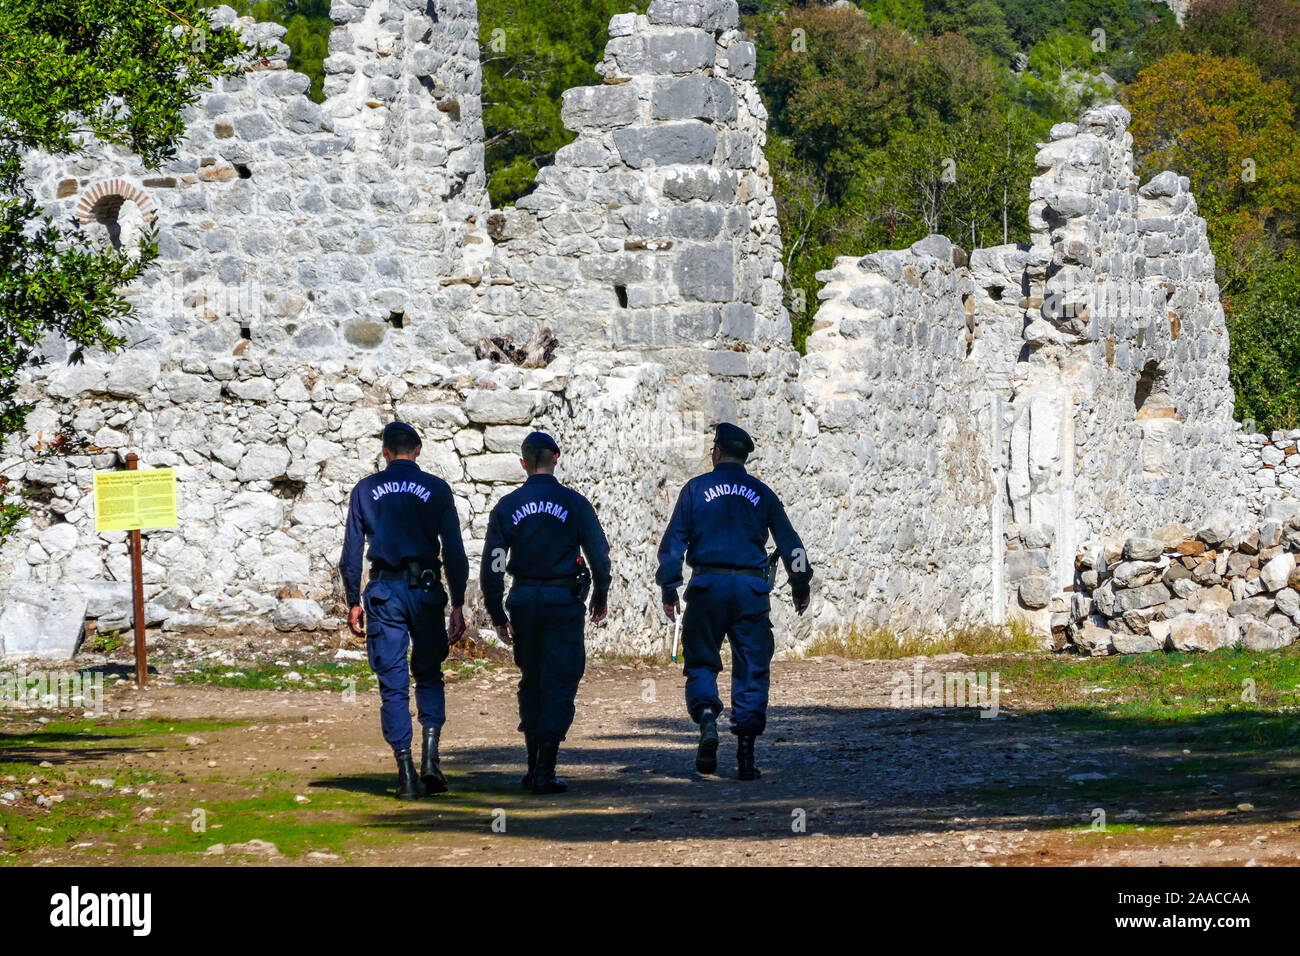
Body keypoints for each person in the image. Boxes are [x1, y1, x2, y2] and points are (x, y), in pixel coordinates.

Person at [656, 422, 812, 781]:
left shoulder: (695, 490)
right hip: (749, 592)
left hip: (707, 587)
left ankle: (708, 716)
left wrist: (669, 587)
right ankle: (745, 755)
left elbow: (672, 545)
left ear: (716, 452)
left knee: (701, 661)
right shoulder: (762, 493)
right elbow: (791, 543)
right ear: (744, 456)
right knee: (752, 666)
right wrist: (800, 583)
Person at [339, 420, 469, 800]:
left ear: (385, 452)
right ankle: (431, 760)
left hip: (384, 593)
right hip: (426, 592)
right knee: (429, 674)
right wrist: (457, 603)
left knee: (393, 683)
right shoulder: (436, 488)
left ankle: (406, 774)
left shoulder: (365, 490)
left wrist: (351, 599)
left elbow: (351, 554)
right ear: (417, 451)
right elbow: (455, 552)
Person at [480, 431, 611, 794]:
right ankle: (545, 769)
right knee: (561, 680)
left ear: (523, 463)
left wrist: (496, 612)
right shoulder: (575, 504)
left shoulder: (506, 507)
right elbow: (599, 557)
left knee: (532, 680)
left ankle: (532, 764)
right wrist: (600, 594)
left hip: (523, 601)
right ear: (557, 457)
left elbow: (493, 565)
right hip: (562, 603)